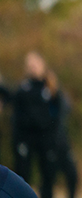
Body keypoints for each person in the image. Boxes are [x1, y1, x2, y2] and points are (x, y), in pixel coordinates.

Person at [11, 52, 58, 189]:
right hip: (27, 136)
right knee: (23, 170)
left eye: (35, 65)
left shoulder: (50, 88)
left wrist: (54, 135)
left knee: (48, 170)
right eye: (30, 66)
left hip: (45, 136)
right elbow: (17, 116)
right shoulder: (23, 89)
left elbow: (58, 112)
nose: (33, 68)